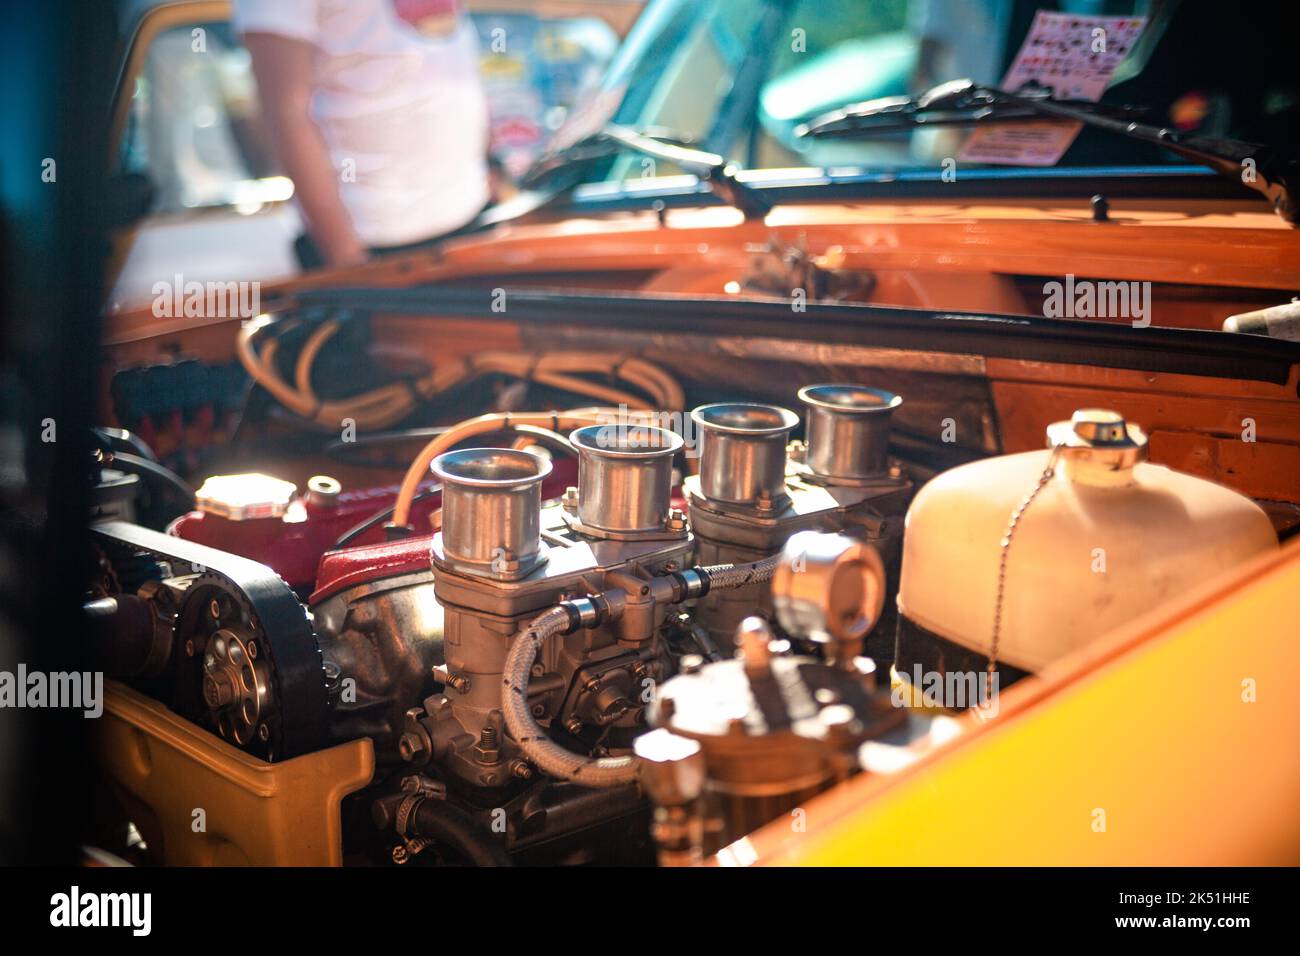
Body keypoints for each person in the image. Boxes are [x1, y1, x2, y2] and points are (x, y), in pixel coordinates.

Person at [234, 0, 491, 268]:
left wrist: (492, 169)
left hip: (471, 213)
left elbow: (453, 60)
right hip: (374, 246)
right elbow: (284, 112)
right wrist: (343, 255)